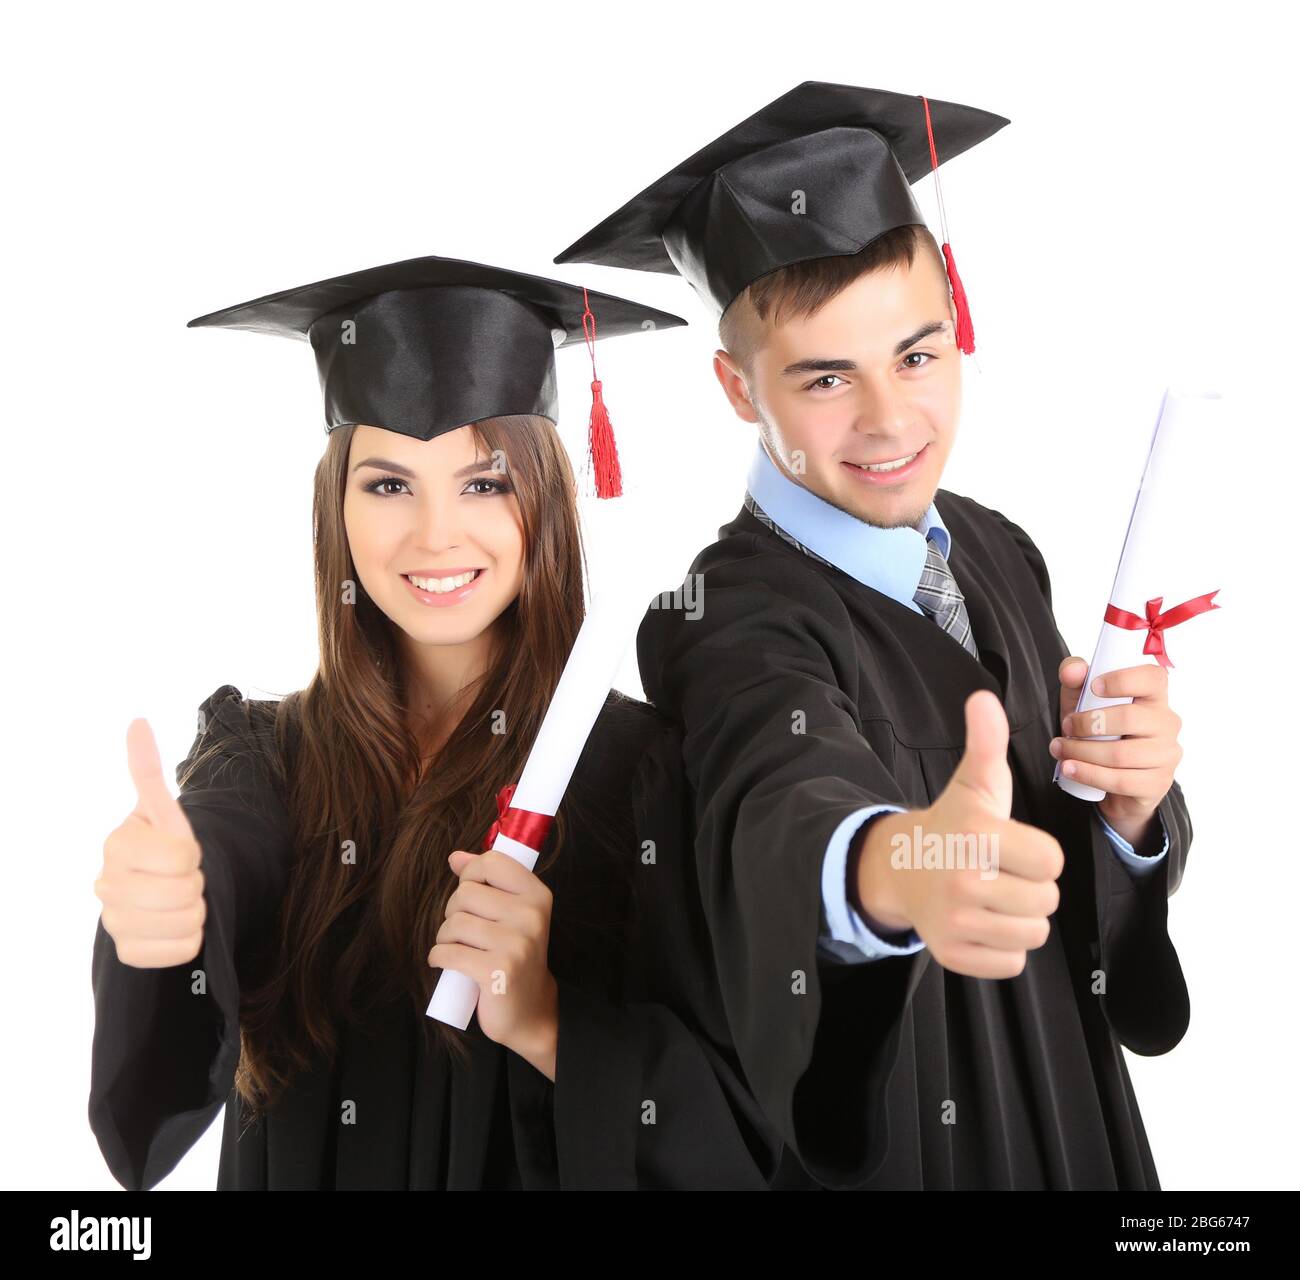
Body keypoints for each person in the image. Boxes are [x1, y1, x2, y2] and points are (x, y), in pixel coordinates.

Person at [554, 82, 1194, 1190]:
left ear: (957, 327)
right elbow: (780, 793)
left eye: (916, 354)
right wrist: (893, 863)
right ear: (736, 387)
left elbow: (1085, 880)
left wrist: (1131, 808)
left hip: (1076, 1105)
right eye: (823, 378)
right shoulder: (727, 615)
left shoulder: (996, 547)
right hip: (914, 1129)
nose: (891, 420)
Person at [88, 256, 778, 1190]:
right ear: (337, 509)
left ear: (545, 498)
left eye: (485, 483)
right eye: (387, 485)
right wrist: (168, 920)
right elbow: (219, 856)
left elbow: (741, 1144)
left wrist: (543, 1017)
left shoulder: (647, 777)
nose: (436, 534)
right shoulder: (264, 760)